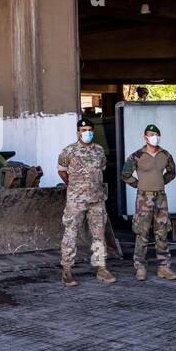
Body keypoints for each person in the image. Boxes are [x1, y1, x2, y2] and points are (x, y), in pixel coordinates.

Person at [57, 117, 115, 286]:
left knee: (98, 235)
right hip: (76, 200)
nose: (87, 133)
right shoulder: (69, 151)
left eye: (89, 130)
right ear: (78, 132)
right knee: (71, 233)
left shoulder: (99, 150)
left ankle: (101, 268)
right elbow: (61, 171)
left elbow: (101, 169)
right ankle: (67, 270)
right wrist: (73, 185)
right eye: (83, 130)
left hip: (97, 199)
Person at [120, 123, 176, 281]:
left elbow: (172, 172)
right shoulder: (136, 156)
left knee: (162, 232)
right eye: (151, 134)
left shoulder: (165, 154)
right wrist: (138, 184)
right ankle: (140, 267)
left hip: (160, 197)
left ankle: (164, 267)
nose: (154, 137)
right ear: (145, 137)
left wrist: (160, 182)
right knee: (142, 232)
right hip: (143, 198)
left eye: (156, 134)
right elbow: (125, 174)